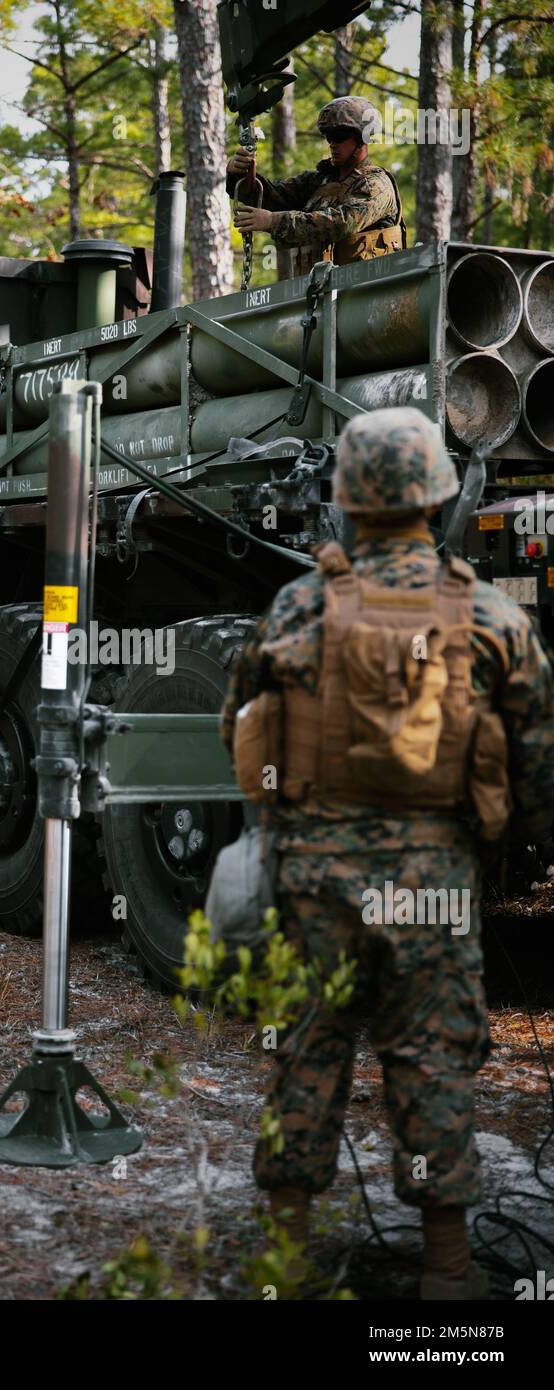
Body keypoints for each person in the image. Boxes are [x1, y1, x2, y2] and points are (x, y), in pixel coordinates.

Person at [220, 406, 554, 1300]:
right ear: (440, 499)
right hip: (434, 884)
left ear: (347, 505)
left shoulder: (298, 604)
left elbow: (238, 729)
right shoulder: (487, 614)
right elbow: (538, 760)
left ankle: (285, 1258)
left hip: (314, 883)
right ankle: (447, 1273)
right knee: (432, 1056)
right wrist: (518, 844)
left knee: (307, 1047)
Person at [227, 96, 406, 279]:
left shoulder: (376, 185)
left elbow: (342, 223)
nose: (332, 144)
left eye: (339, 136)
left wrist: (274, 221)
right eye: (329, 137)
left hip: (367, 291)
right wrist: (240, 173)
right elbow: (272, 196)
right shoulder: (319, 181)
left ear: (363, 138)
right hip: (319, 293)